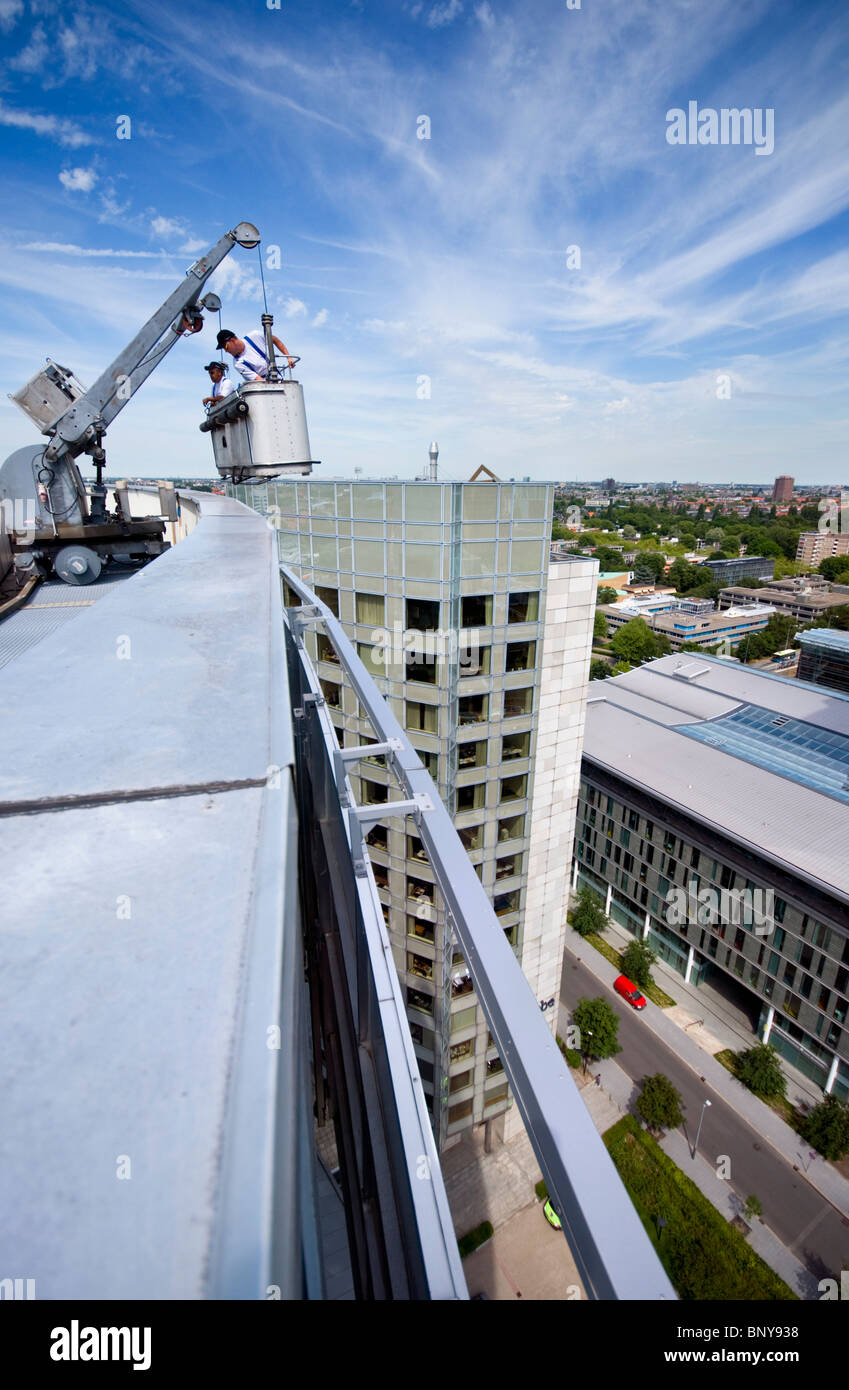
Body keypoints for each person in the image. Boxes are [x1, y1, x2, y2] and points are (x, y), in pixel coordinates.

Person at [216, 327, 295, 384]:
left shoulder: (254, 336)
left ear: (232, 340)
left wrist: (289, 357)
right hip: (265, 389)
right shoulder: (238, 363)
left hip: (279, 380)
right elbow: (259, 380)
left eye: (225, 347)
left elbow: (275, 340)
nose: (226, 351)